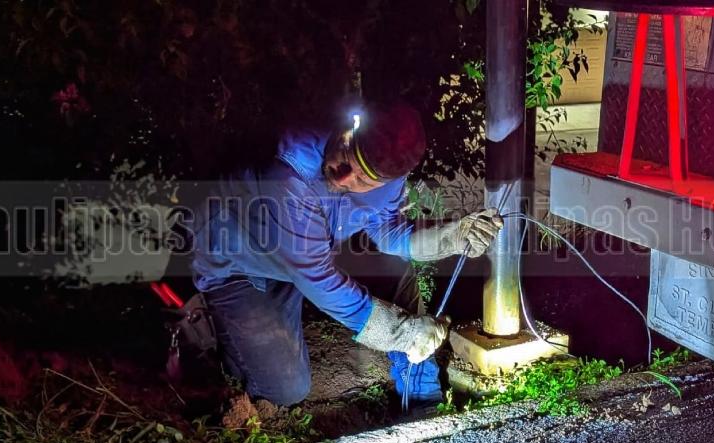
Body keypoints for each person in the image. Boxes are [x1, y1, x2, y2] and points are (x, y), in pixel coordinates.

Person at [191, 102, 503, 406]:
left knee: (394, 266)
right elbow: (317, 277)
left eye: (362, 180)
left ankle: (419, 391)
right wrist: (401, 332)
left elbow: (390, 234)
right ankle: (213, 335)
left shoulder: (388, 174)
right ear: (350, 125)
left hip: (310, 255)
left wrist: (452, 237)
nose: (341, 178)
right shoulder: (289, 175)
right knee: (286, 390)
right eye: (345, 157)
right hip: (242, 267)